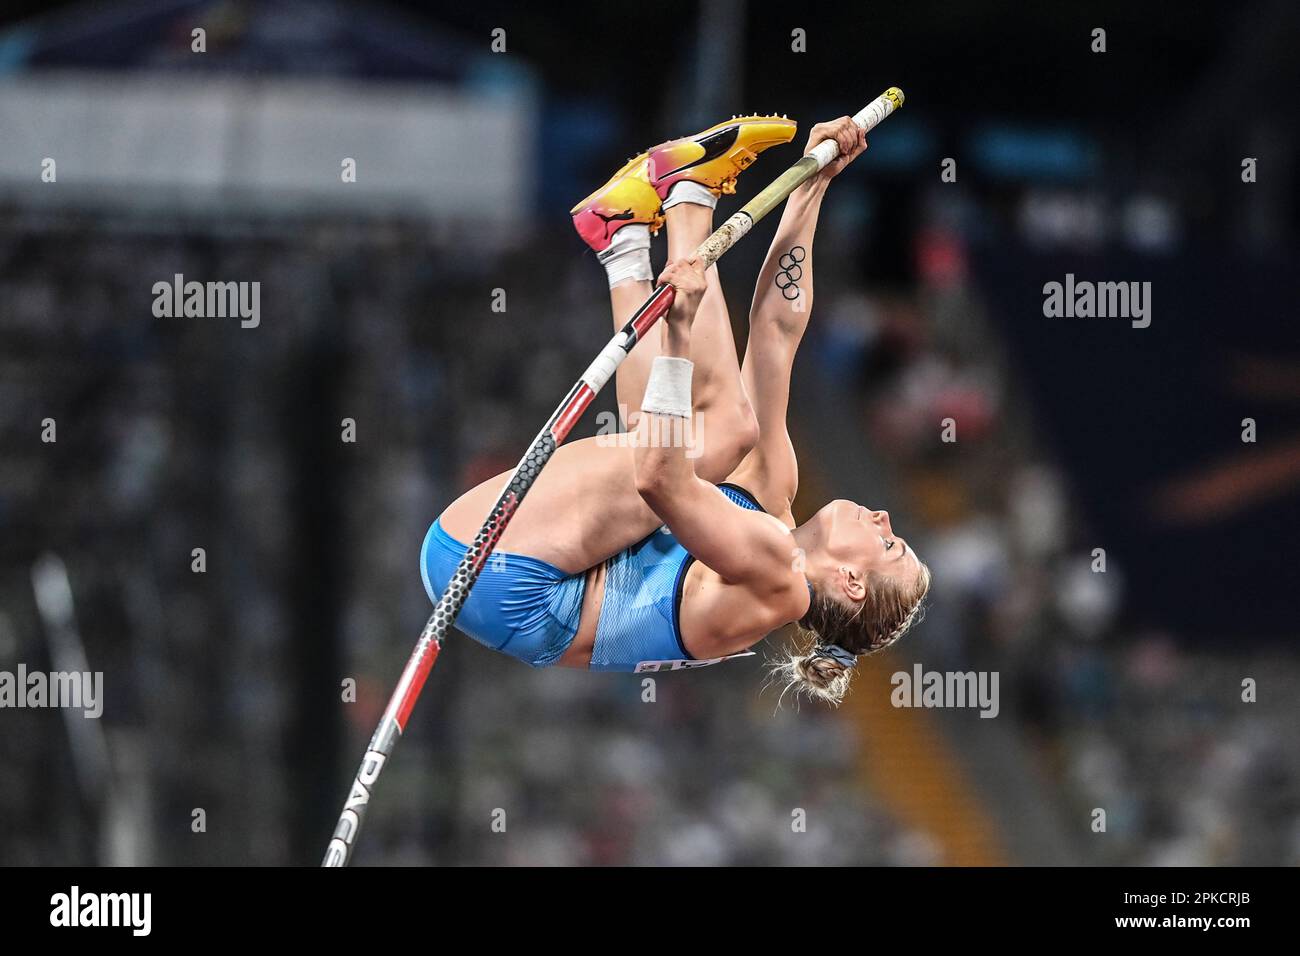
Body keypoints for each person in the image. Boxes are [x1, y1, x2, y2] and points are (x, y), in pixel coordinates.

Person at [424, 113, 929, 703]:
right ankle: (623, 241)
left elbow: (658, 479)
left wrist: (679, 336)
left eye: (890, 547)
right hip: (492, 560)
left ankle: (689, 194)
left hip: (509, 581)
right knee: (691, 436)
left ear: (850, 581)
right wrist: (810, 186)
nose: (887, 522)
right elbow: (774, 336)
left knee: (721, 432)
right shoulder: (772, 495)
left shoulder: (781, 584)